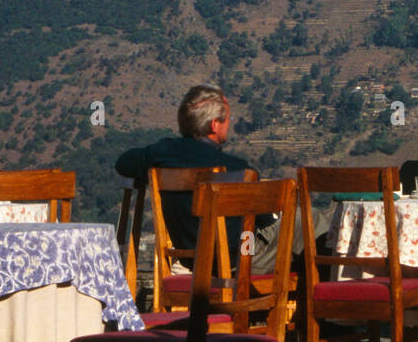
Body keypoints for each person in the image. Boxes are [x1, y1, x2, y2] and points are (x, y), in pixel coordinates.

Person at [115, 83, 330, 272]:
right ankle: (326, 306)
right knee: (310, 219)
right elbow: (264, 220)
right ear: (214, 125)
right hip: (240, 256)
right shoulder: (237, 170)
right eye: (227, 119)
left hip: (191, 259)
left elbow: (123, 163)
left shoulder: (159, 154)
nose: (229, 123)